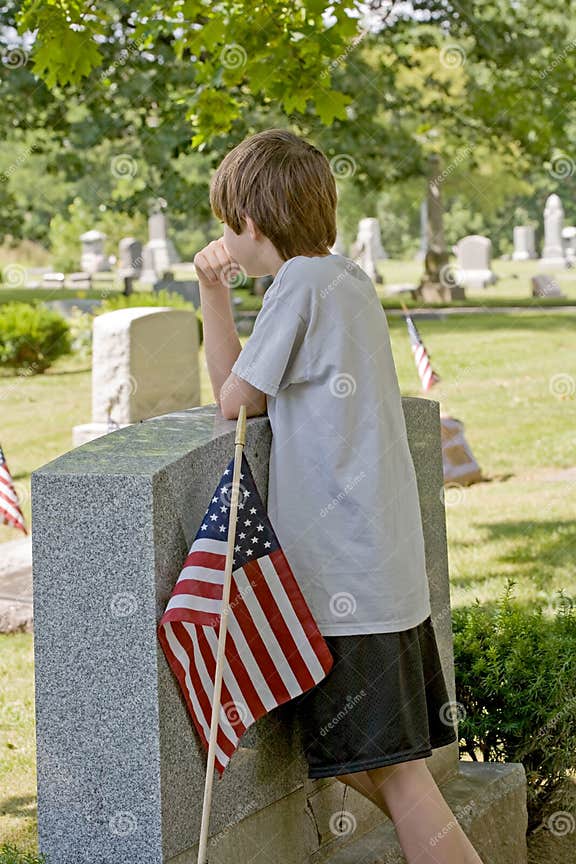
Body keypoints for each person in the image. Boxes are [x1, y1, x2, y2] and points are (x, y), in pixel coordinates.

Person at [194, 128, 484, 864]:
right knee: (371, 765)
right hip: (379, 571)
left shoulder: (297, 286)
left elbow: (234, 400)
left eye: (230, 222)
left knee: (397, 775)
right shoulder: (344, 278)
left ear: (249, 225)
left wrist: (210, 294)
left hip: (346, 581)